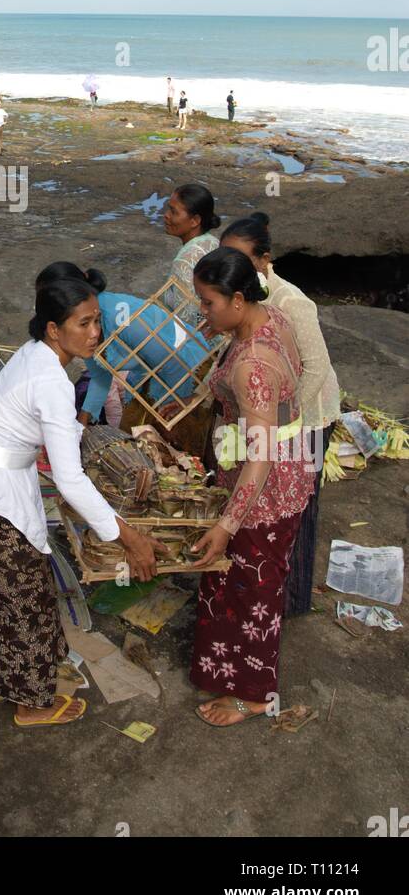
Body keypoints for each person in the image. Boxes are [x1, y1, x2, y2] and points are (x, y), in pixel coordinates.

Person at [0, 275, 166, 729]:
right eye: (84, 324)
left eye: (98, 322)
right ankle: (32, 704)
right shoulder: (50, 379)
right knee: (26, 601)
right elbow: (68, 480)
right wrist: (130, 537)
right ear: (54, 329)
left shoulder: (34, 355)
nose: (96, 333)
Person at [188, 247, 313, 727]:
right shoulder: (272, 317)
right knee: (240, 582)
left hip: (262, 487)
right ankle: (229, 670)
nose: (203, 311)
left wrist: (226, 522)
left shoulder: (252, 367)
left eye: (208, 303)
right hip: (287, 468)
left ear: (237, 299)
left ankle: (255, 695)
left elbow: (258, 456)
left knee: (252, 590)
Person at [220, 212, 340, 617]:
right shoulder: (243, 299)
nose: (229, 268)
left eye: (238, 259)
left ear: (264, 259)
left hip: (308, 416)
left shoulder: (292, 302)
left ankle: (290, 603)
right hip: (273, 417)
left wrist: (286, 420)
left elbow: (317, 367)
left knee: (296, 511)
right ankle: (265, 592)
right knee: (267, 508)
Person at [34, 263, 209, 427]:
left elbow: (172, 362)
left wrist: (164, 412)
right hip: (151, 371)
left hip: (186, 364)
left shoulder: (120, 317)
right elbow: (100, 375)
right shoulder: (83, 326)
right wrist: (83, 420)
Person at [162, 183, 221, 312]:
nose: (166, 215)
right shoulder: (215, 243)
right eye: (168, 209)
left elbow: (185, 314)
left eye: (173, 211)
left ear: (195, 220)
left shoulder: (184, 262)